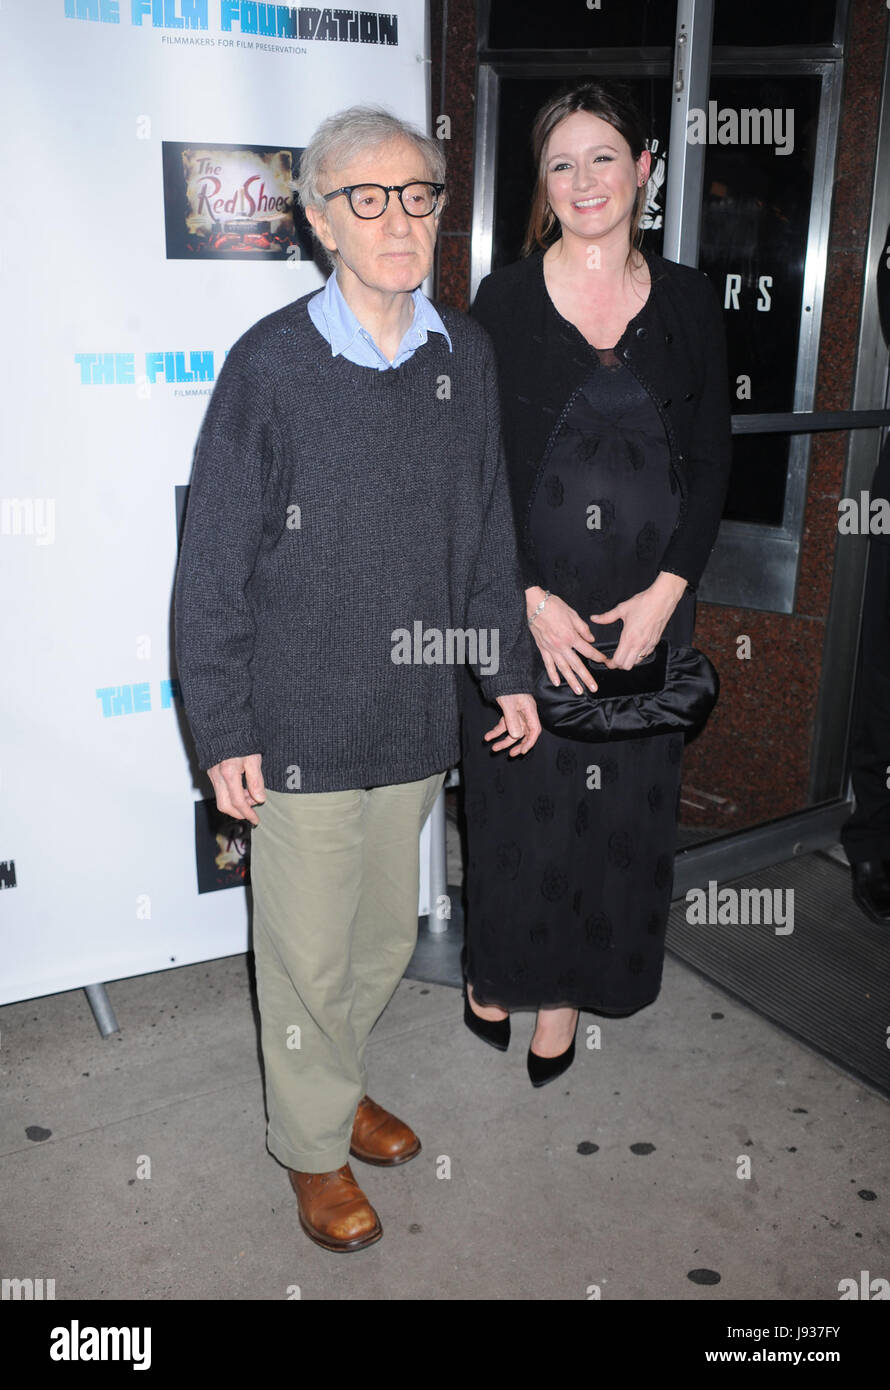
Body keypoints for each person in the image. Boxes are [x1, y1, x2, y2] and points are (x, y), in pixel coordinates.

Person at [174, 105, 540, 1253]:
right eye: (367, 199)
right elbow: (213, 566)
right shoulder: (270, 366)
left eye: (418, 195)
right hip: (296, 718)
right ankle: (312, 1147)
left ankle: (332, 1081)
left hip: (414, 709)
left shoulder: (461, 354)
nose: (399, 220)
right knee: (304, 955)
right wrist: (222, 723)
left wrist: (505, 672)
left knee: (384, 937)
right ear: (321, 220)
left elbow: (486, 533)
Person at [459, 80, 731, 1085]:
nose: (584, 180)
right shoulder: (503, 301)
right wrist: (525, 595)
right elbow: (475, 465)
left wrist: (669, 587)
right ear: (544, 183)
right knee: (518, 806)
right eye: (561, 162)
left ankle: (565, 993)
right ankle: (498, 967)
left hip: (644, 612)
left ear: (643, 169)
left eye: (603, 157)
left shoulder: (691, 301)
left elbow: (709, 459)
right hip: (529, 599)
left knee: (614, 811)